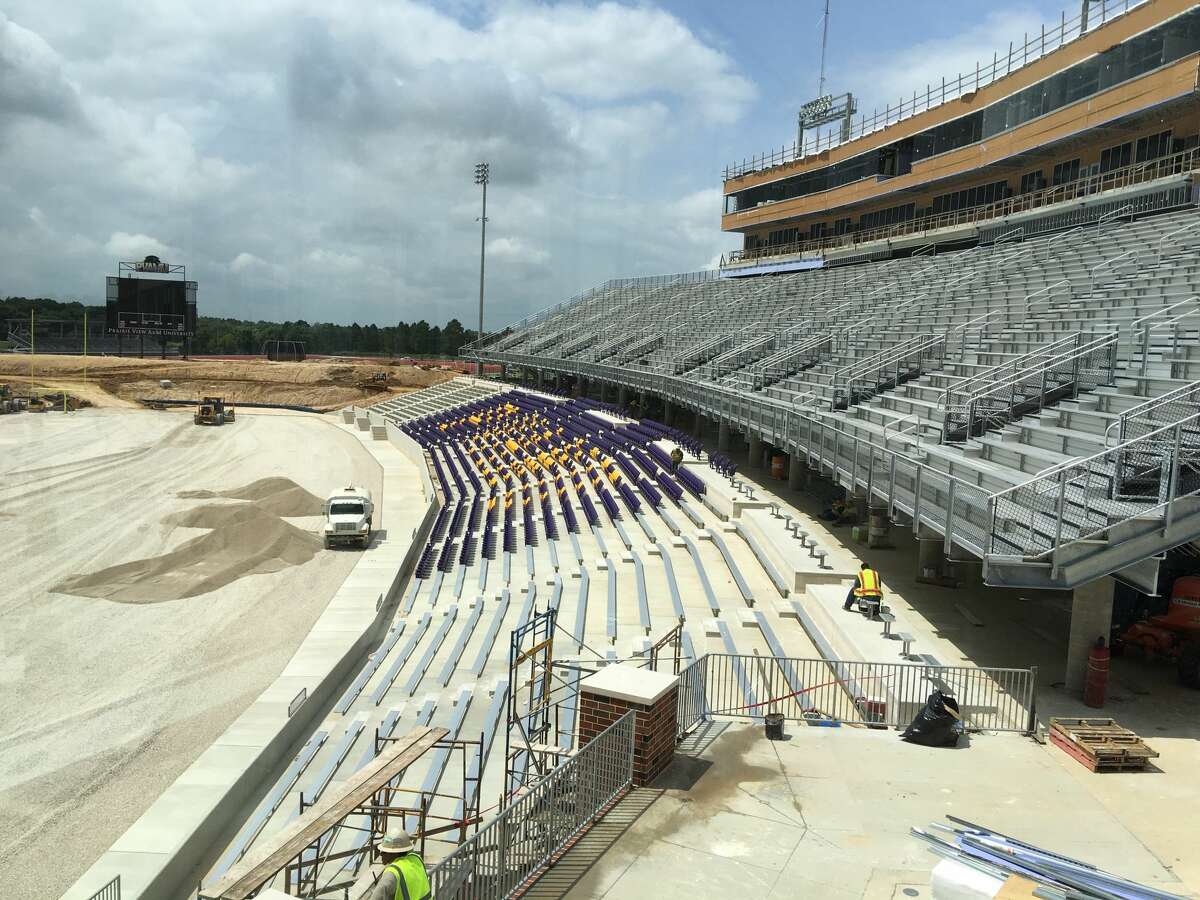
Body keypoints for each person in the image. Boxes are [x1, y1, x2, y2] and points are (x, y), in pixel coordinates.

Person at [367, 827, 430, 900]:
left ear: (394, 853)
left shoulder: (393, 873)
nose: (380, 854)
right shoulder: (417, 859)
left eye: (384, 852)